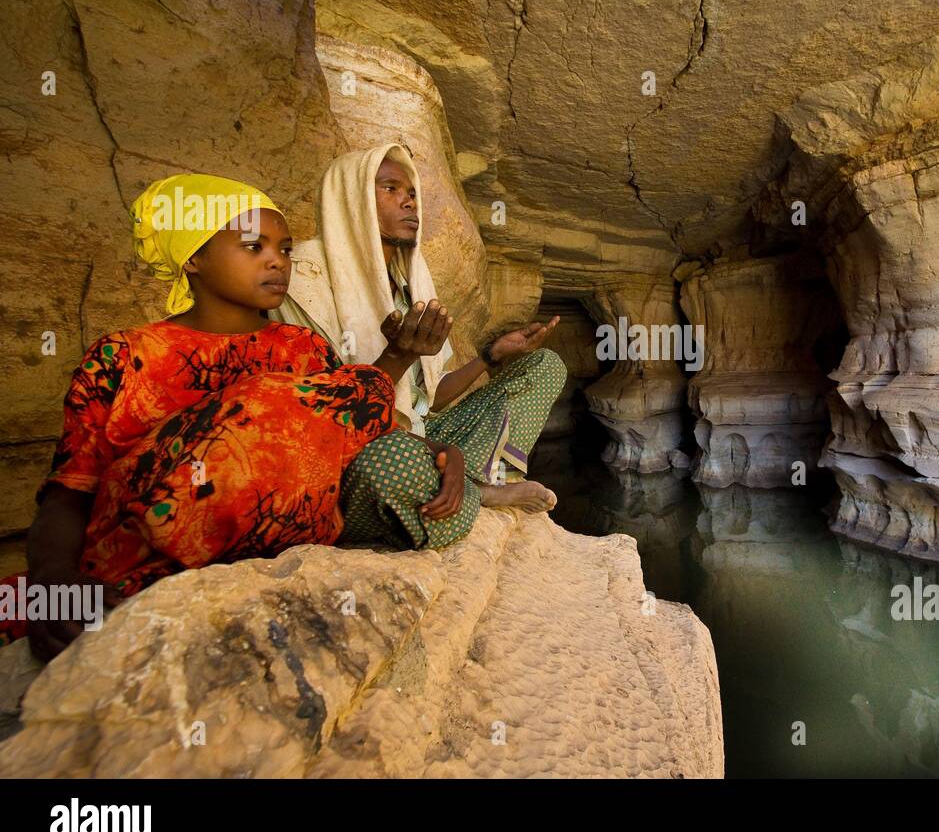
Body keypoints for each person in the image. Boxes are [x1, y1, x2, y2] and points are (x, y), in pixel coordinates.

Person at [6, 174, 446, 660]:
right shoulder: (123, 355)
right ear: (193, 257)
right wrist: (52, 584)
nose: (277, 260)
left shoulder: (300, 348)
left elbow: (352, 431)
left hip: (277, 547)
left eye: (285, 247)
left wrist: (447, 457)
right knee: (264, 400)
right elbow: (72, 488)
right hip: (138, 549)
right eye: (253, 246)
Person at [269, 144, 567, 552]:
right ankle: (476, 493)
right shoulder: (305, 280)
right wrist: (441, 448)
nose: (409, 200)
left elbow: (430, 401)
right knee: (394, 465)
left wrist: (490, 356)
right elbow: (323, 415)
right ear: (351, 199)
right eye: (390, 189)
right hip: (358, 455)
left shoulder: (409, 283)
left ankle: (470, 482)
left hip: (422, 436)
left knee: (545, 366)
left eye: (411, 191)